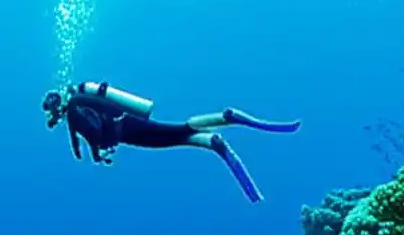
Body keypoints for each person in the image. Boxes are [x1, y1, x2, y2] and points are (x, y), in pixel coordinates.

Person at [41, 81, 301, 203]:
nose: (52, 118)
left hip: (129, 130)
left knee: (176, 131)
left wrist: (99, 151)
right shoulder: (77, 104)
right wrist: (92, 151)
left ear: (55, 106)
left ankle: (226, 117)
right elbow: (80, 137)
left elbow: (91, 130)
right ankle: (212, 142)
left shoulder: (74, 110)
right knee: (177, 136)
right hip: (128, 126)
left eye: (50, 112)